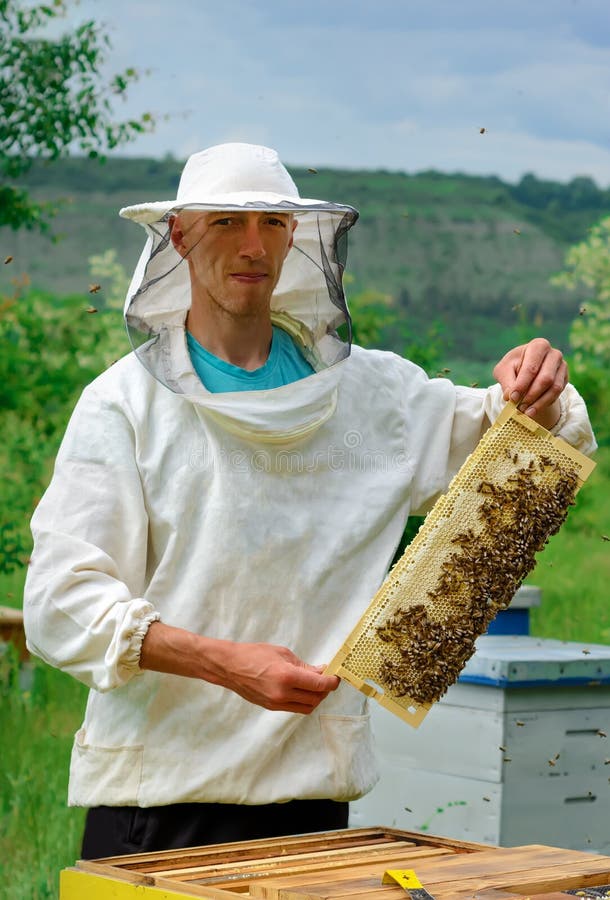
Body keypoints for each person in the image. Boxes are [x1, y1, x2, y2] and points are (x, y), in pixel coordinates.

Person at [23, 143, 596, 859]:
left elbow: (529, 443)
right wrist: (227, 663)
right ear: (179, 234)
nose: (252, 244)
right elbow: (59, 605)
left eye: (271, 222)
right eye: (227, 223)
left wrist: (536, 379)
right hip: (158, 800)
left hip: (314, 803)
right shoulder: (124, 405)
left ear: (299, 236)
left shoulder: (373, 397)